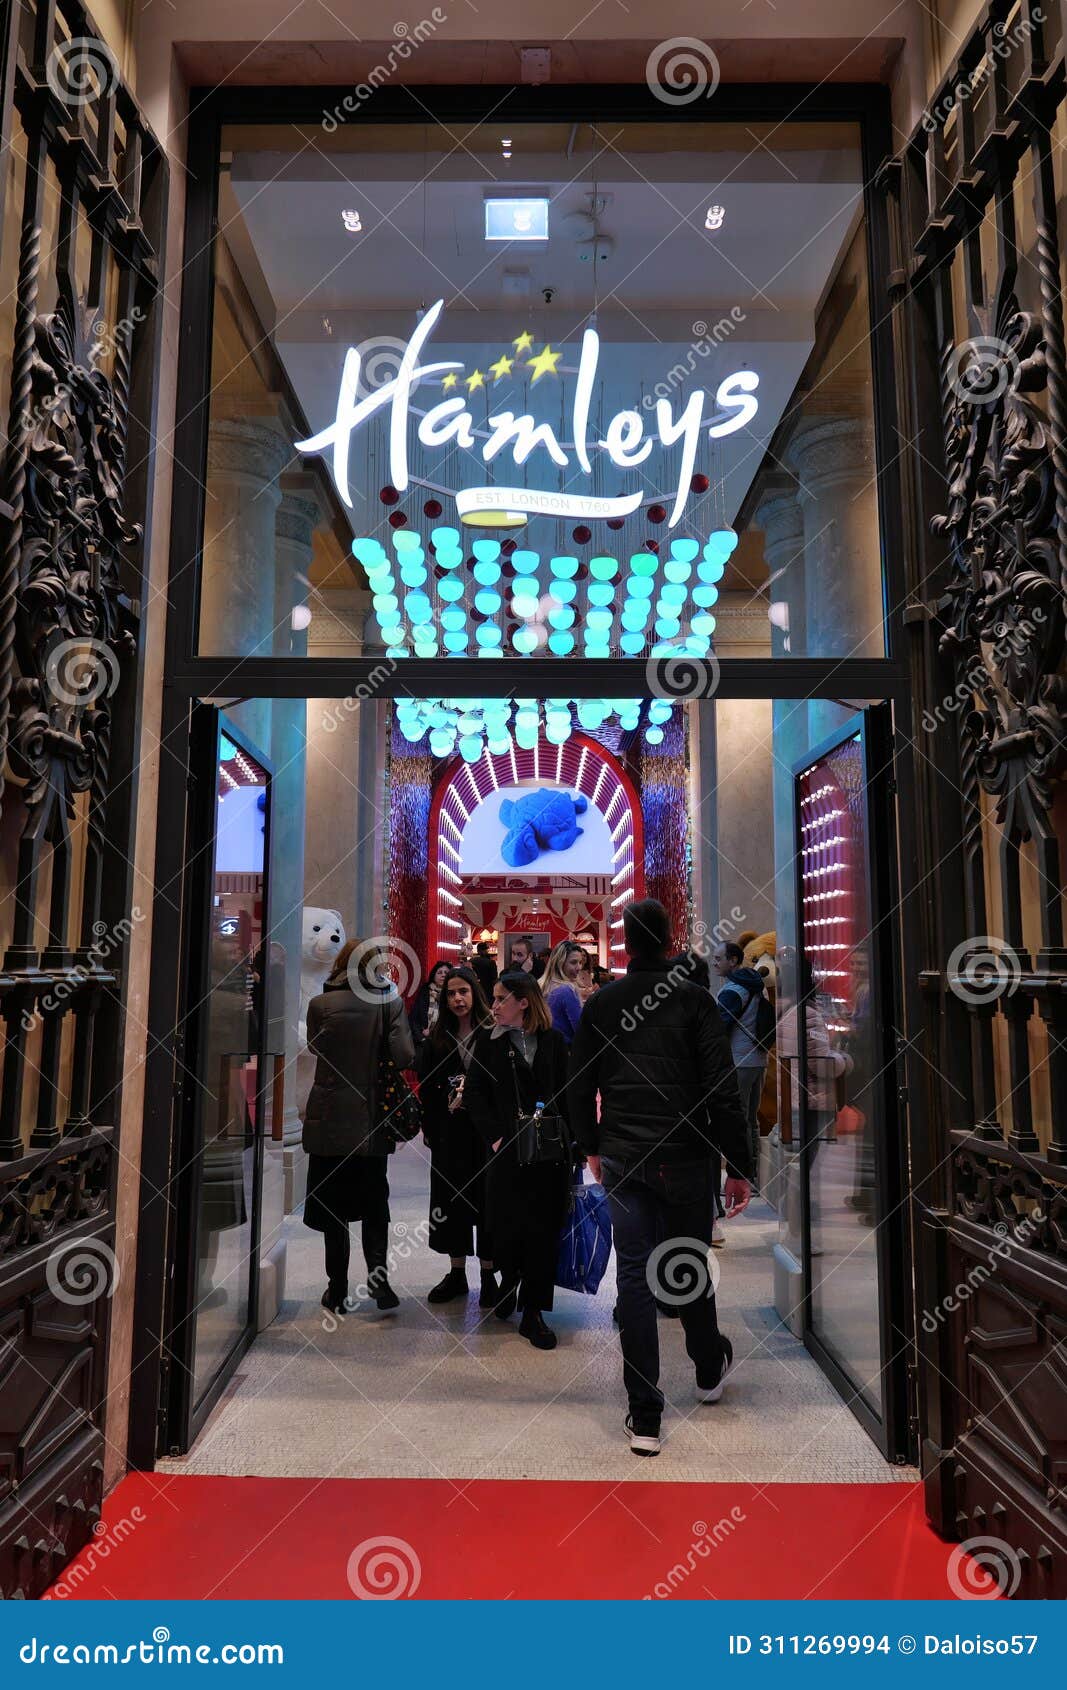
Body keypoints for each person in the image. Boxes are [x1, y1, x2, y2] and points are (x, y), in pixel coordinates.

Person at [569, 899, 753, 1458]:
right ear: (671, 939)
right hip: (688, 1157)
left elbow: (578, 1085)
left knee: (633, 1279)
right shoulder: (696, 1001)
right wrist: (738, 1164)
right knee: (686, 1266)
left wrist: (592, 1147)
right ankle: (705, 1370)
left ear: (626, 943)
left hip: (626, 1156)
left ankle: (645, 1414)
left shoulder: (603, 1004)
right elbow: (722, 1091)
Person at [302, 939, 415, 1315]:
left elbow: (317, 1048)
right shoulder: (389, 1004)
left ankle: (336, 1291)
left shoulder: (320, 1005)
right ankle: (379, 1283)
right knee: (373, 1205)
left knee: (333, 1209)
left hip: (328, 1118)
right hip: (371, 1118)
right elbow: (404, 1056)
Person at [464, 971, 571, 1350]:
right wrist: (495, 1138)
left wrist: (572, 1146)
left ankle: (534, 1312)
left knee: (544, 1230)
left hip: (548, 1153)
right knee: (506, 1224)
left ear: (523, 1001)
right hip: (507, 1151)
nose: (492, 1006)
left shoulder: (554, 1042)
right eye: (493, 999)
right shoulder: (489, 1043)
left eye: (500, 998)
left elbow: (568, 1093)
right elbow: (474, 1093)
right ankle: (511, 1281)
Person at [418, 966, 498, 1306]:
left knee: (488, 1201)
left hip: (485, 1134)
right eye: (451, 993)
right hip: (449, 1133)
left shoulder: (492, 1033)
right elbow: (426, 1083)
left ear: (474, 993)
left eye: (463, 991)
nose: (457, 999)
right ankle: (456, 1272)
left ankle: (488, 1272)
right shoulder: (437, 1037)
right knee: (451, 1203)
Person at [713, 940, 771, 1197]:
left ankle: (744, 1175)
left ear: (734, 961)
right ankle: (755, 1176)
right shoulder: (758, 988)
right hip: (759, 1059)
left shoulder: (733, 991)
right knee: (751, 1119)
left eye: (719, 958)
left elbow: (718, 1030)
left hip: (739, 1060)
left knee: (739, 1121)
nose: (715, 963)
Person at [540, 938, 589, 1043]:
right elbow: (581, 1031)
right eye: (573, 962)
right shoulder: (566, 990)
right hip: (566, 1051)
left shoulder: (544, 985)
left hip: (549, 1050)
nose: (579, 967)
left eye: (580, 962)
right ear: (560, 963)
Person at [409, 958, 451, 1052]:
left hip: (445, 1042)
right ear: (433, 976)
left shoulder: (453, 994)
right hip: (423, 1041)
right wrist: (421, 1037)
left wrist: (433, 1032)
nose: (443, 975)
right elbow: (414, 1017)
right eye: (439, 972)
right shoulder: (425, 991)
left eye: (446, 973)